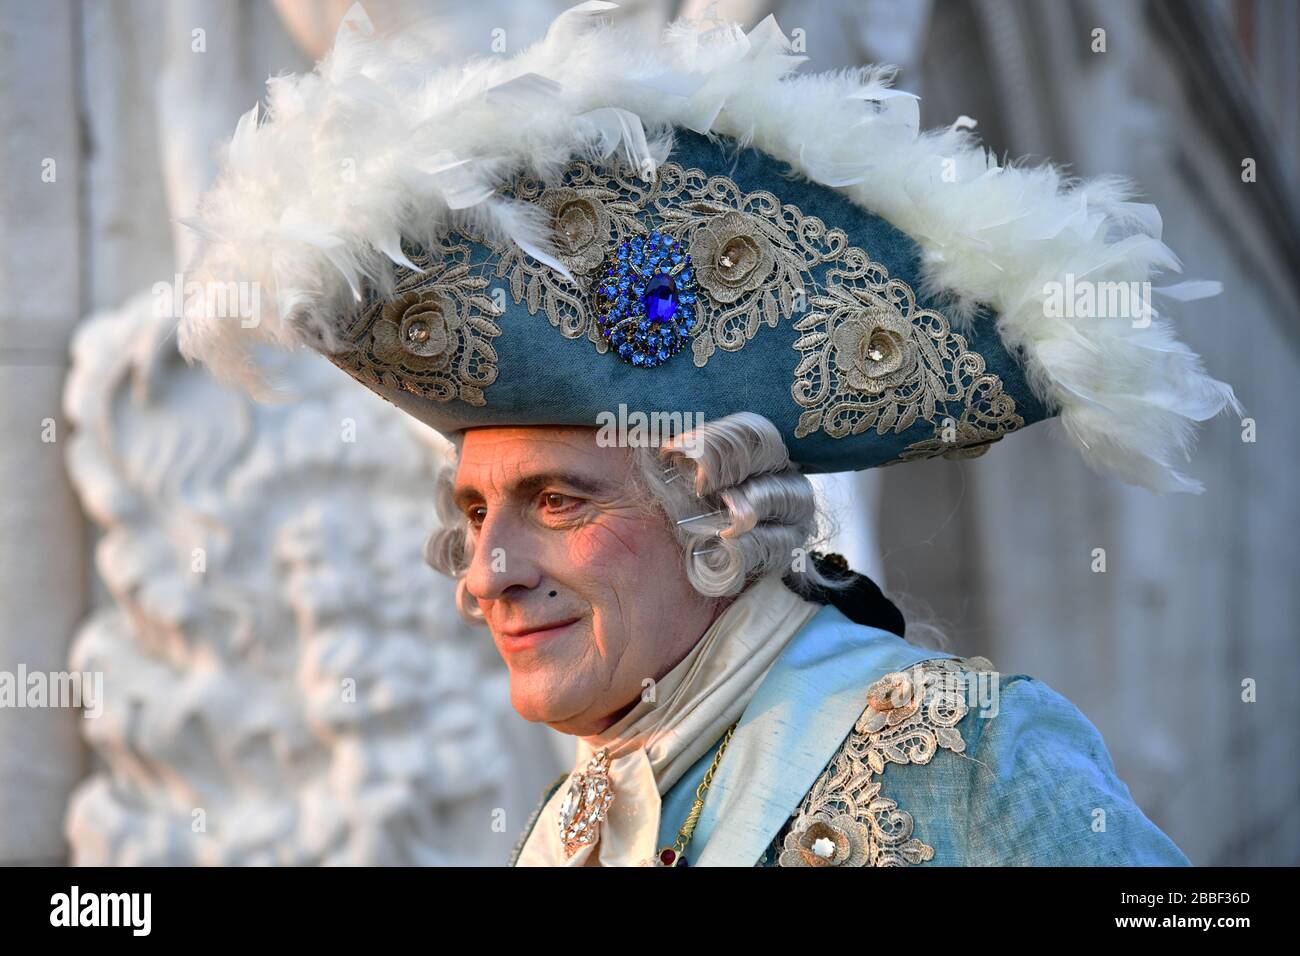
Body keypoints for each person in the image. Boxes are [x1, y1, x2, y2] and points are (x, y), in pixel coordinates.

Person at [178, 2, 1238, 866]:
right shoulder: (584, 814)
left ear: (719, 516)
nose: (486, 572)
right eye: (472, 509)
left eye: (556, 500)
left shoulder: (974, 755)